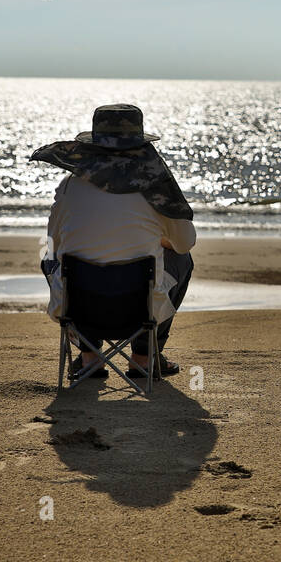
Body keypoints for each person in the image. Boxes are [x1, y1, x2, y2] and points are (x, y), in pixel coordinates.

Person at [31, 104, 195, 379]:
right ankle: (144, 357)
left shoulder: (69, 186)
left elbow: (54, 243)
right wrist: (158, 240)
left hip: (83, 308)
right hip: (138, 308)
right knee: (181, 259)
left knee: (52, 260)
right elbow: (185, 243)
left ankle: (89, 356)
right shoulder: (155, 188)